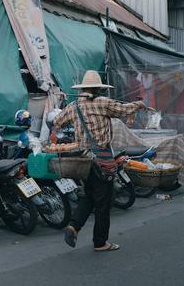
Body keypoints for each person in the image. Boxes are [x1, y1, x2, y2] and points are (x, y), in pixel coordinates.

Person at [52, 70, 148, 252]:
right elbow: (125, 109)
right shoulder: (103, 103)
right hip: (102, 160)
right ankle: (100, 242)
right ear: (98, 88)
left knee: (90, 195)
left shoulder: (74, 106)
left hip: (82, 160)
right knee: (103, 203)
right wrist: (139, 104)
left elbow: (57, 121)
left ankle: (74, 226)